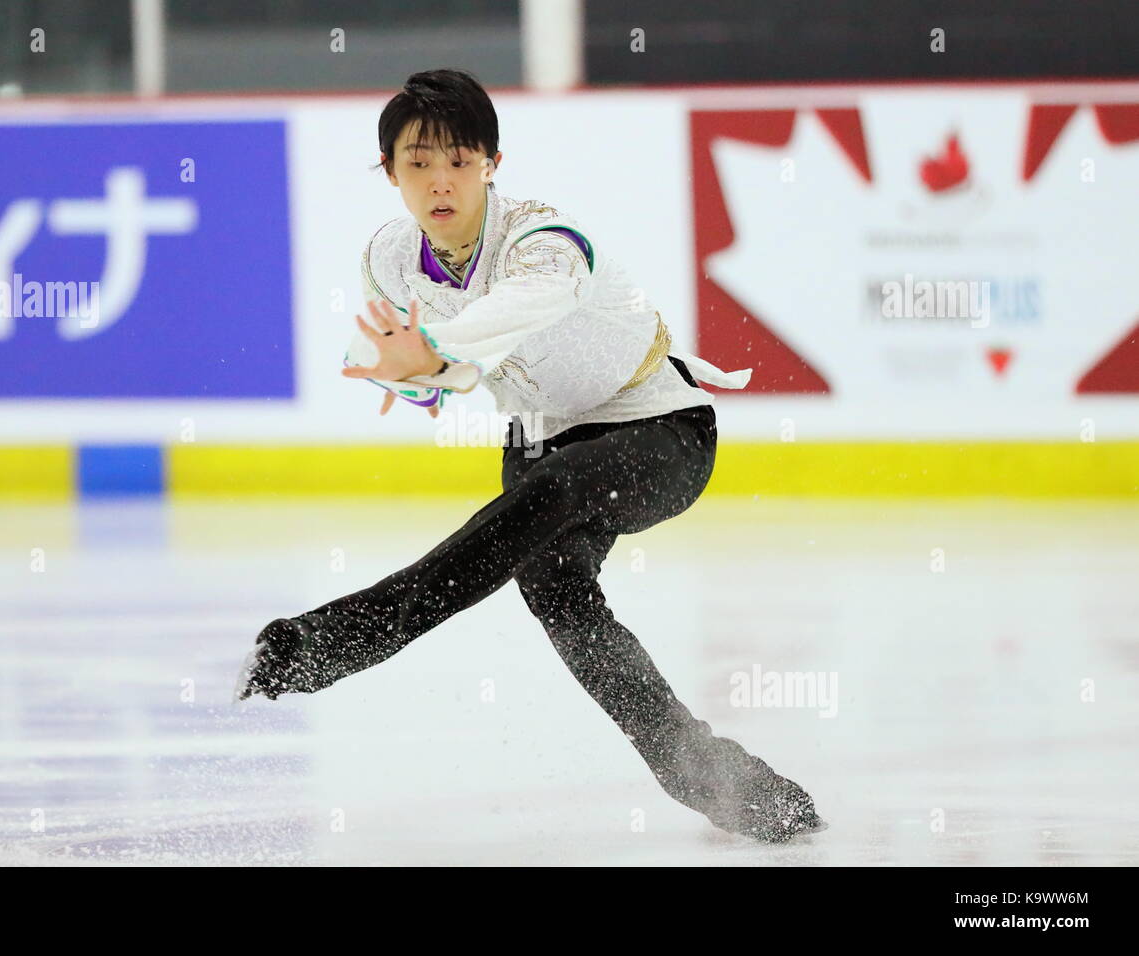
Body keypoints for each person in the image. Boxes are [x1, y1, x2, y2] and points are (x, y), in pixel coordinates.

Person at [236, 69, 825, 843]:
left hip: (657, 430)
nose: (439, 182)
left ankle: (337, 641)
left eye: (458, 160)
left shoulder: (545, 241)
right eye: (417, 163)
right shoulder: (389, 259)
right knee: (563, 602)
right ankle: (726, 782)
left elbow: (514, 314)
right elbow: (427, 374)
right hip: (537, 442)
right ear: (390, 174)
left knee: (557, 491)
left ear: (492, 163)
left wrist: (432, 353)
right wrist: (414, 373)